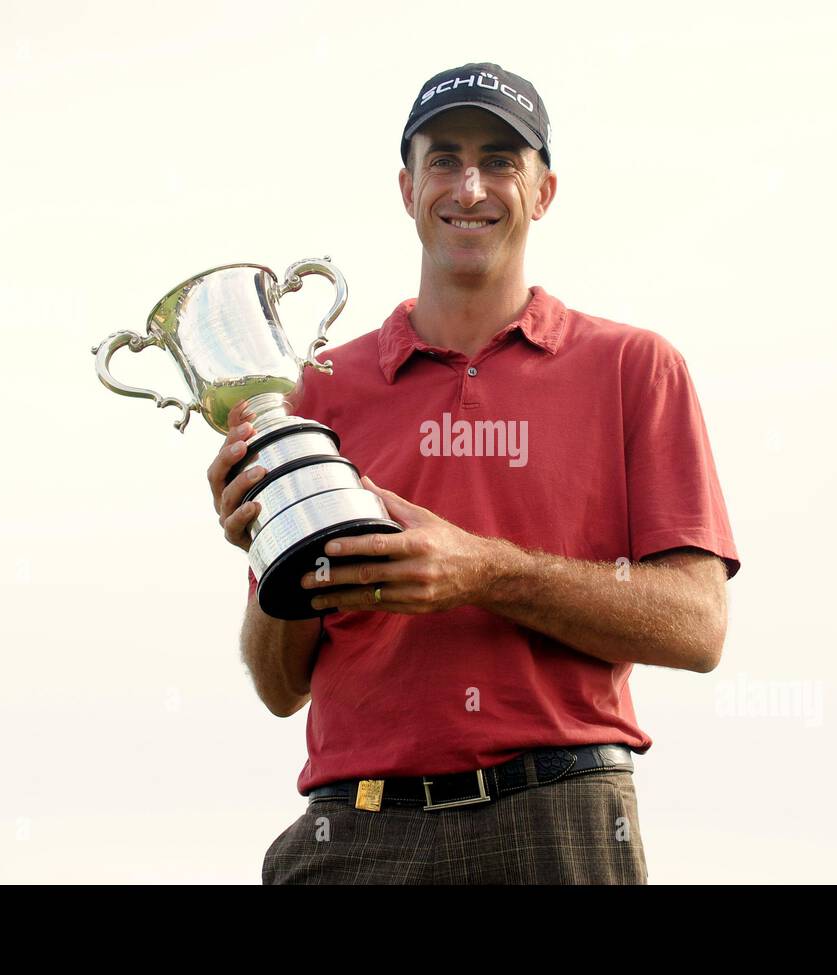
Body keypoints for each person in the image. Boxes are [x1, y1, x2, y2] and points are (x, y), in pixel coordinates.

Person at [205, 62, 741, 884]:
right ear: (407, 188)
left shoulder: (634, 368)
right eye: (445, 159)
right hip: (355, 830)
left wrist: (486, 571)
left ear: (544, 191)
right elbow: (281, 686)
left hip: (559, 821)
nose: (470, 186)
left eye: (499, 161)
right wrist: (267, 546)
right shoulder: (317, 390)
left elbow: (698, 626)